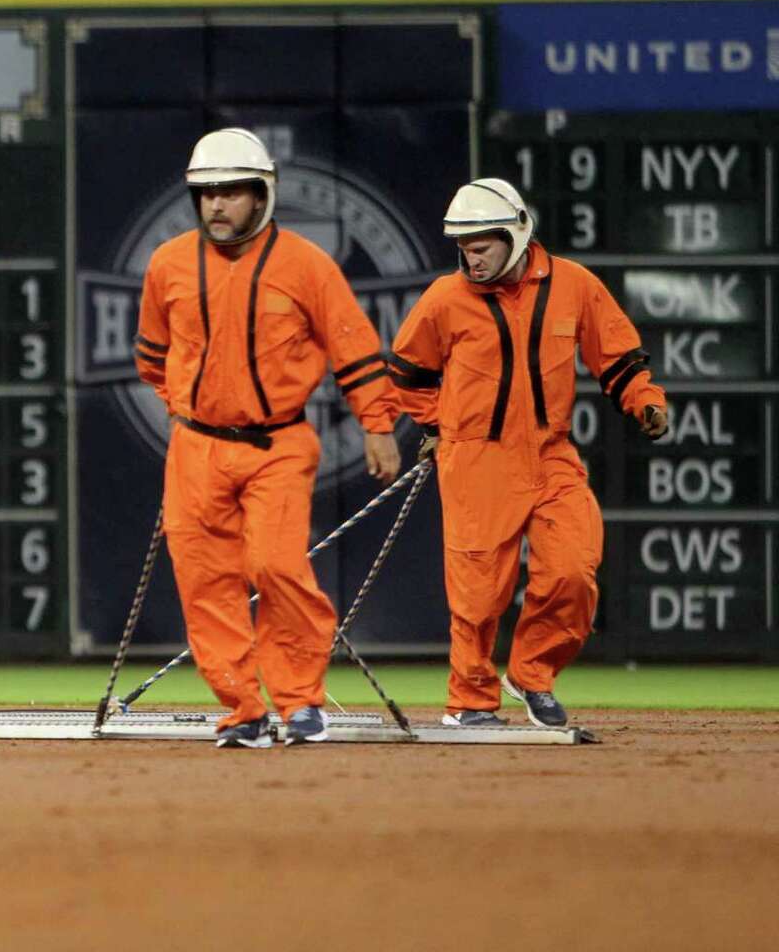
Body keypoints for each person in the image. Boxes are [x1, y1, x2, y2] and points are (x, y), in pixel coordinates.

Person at [133, 129, 402, 748]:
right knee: (204, 584)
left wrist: (378, 425)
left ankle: (302, 700)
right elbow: (151, 357)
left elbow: (355, 349)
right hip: (195, 448)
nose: (217, 206)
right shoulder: (168, 263)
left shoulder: (307, 264)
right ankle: (243, 709)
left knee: (275, 565)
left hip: (277, 444)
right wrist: (183, 404)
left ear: (263, 196)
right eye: (206, 194)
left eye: (231, 193)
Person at [389, 180, 668, 730]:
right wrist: (437, 425)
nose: (472, 254)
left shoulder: (575, 285)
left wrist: (645, 402)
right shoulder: (445, 299)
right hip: (475, 461)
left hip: (551, 454)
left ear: (517, 234)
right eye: (464, 244)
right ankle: (470, 703)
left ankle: (532, 675)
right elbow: (405, 375)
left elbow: (617, 356)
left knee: (573, 570)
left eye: (483, 242)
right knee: (477, 596)